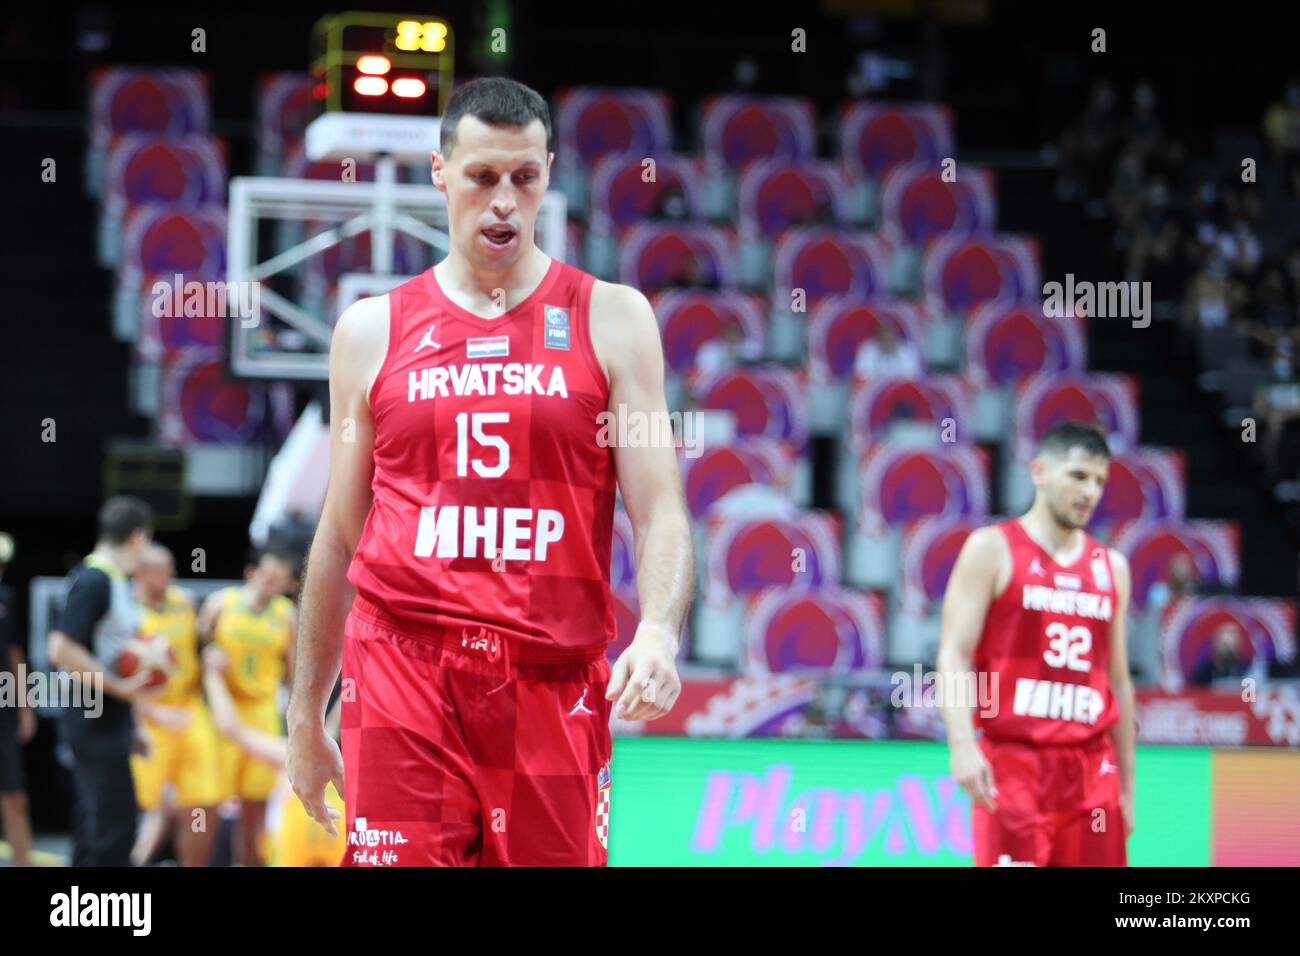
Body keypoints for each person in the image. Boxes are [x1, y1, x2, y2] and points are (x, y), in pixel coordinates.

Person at [287, 76, 695, 867]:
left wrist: (658, 629)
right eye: (481, 178)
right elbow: (338, 537)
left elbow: (661, 511)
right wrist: (306, 713)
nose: (503, 201)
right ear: (441, 173)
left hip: (551, 675)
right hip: (404, 664)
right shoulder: (371, 330)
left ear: (548, 174)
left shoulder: (613, 317)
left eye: (524, 178)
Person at [937, 422, 1135, 866]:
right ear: (1039, 471)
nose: (1091, 491)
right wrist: (961, 745)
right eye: (1078, 476)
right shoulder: (990, 549)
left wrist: (1127, 787)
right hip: (1014, 764)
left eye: (1100, 481)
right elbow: (954, 653)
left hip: (1090, 768)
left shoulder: (1113, 568)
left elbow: (1119, 683)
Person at [47, 496, 156, 866]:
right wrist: (120, 688)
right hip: (92, 719)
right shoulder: (95, 579)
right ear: (139, 537)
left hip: (108, 720)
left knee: (94, 822)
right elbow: (60, 648)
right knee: (115, 825)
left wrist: (133, 721)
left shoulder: (111, 580)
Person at [197, 547, 297, 866]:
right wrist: (208, 656)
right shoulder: (220, 604)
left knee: (255, 806)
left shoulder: (286, 615)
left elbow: (293, 674)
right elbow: (197, 648)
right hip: (222, 711)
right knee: (208, 802)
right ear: (251, 573)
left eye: (278, 580)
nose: (271, 584)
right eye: (267, 576)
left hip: (262, 711)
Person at [129, 543, 220, 866]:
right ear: (139, 573)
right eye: (159, 570)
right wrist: (152, 713)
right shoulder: (127, 614)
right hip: (149, 717)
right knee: (147, 806)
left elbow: (202, 643)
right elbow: (116, 677)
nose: (168, 575)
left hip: (190, 711)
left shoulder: (184, 602)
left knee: (203, 802)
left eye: (170, 569)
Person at [0, 532, 35, 866]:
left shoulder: (6, 599)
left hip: (3, 714)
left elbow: (15, 656)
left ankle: (23, 862)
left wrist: (26, 709)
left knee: (14, 797)